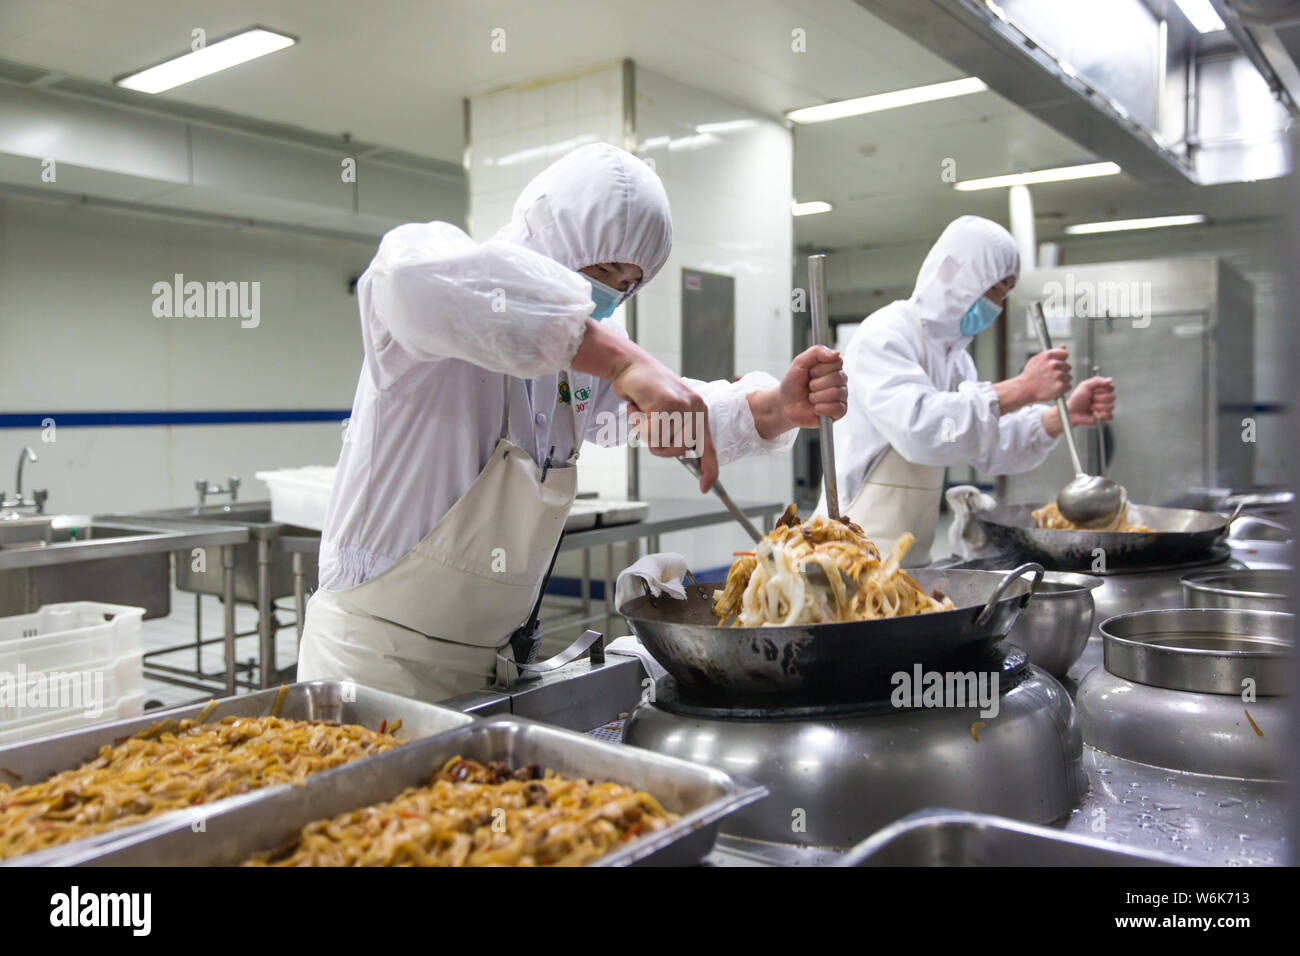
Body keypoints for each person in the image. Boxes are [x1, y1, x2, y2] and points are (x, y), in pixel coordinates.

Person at [297, 143, 848, 700]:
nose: (613, 293)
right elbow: (405, 280)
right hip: (374, 666)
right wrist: (623, 360)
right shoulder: (436, 300)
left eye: (631, 283)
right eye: (606, 269)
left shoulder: (575, 369)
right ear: (548, 240)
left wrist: (776, 408)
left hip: (489, 670)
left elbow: (656, 413)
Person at [823, 215, 1115, 564]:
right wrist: (1022, 388)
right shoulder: (885, 335)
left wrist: (1056, 418)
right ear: (958, 275)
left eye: (1005, 294)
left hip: (912, 557)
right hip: (850, 552)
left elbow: (988, 446)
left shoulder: (956, 359)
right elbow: (922, 430)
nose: (998, 305)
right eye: (994, 289)